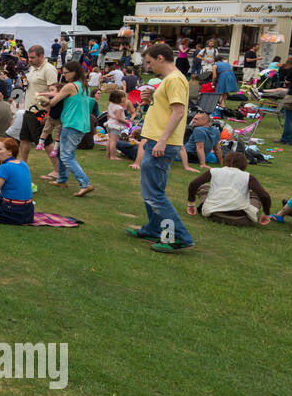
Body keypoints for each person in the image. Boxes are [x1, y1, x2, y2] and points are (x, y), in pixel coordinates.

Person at [126, 43, 193, 252]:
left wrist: (162, 140)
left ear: (161, 58)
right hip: (158, 141)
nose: (147, 66)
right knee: (153, 191)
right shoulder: (170, 80)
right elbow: (167, 108)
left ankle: (177, 237)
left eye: (149, 61)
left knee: (154, 193)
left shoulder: (174, 80)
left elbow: (178, 112)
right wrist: (150, 99)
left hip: (162, 143)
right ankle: (154, 229)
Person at [44, 62, 94, 197]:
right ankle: (62, 180)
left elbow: (53, 101)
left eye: (66, 72)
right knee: (61, 153)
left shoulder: (70, 86)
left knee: (66, 156)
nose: (64, 75)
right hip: (81, 124)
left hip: (72, 124)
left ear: (74, 72)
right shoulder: (84, 86)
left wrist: (41, 100)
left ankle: (85, 184)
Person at [185, 152, 272, 226]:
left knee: (204, 188)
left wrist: (191, 203)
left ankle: (206, 204)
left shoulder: (214, 171)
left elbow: (194, 184)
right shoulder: (248, 177)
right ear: (245, 164)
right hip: (241, 219)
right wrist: (266, 213)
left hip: (212, 214)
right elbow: (264, 195)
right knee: (255, 195)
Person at [17, 45, 58, 164]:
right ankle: (23, 163)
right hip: (29, 109)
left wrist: (47, 113)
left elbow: (53, 93)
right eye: (29, 57)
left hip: (40, 111)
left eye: (32, 58)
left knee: (46, 141)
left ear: (41, 56)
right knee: (25, 138)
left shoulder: (49, 69)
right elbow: (31, 86)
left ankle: (58, 170)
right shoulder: (32, 68)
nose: (30, 60)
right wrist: (24, 83)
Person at [104, 90, 128, 160]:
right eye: (123, 97)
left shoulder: (111, 105)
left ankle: (108, 154)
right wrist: (125, 121)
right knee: (114, 141)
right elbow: (118, 118)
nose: (124, 98)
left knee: (110, 140)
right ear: (118, 98)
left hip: (109, 124)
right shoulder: (119, 108)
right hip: (115, 126)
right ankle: (113, 156)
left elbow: (108, 115)